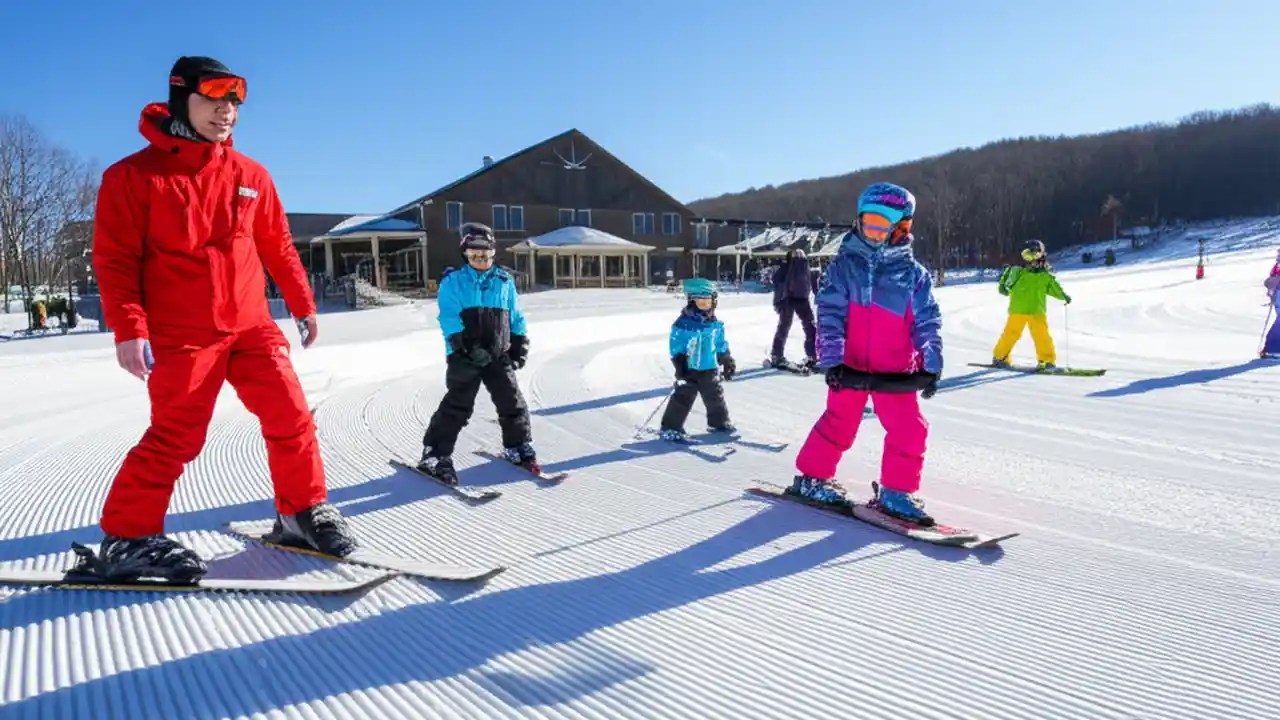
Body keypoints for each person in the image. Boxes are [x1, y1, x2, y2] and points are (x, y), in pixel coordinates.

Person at [91, 56, 356, 581]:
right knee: (177, 435)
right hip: (182, 332)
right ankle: (127, 537)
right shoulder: (132, 177)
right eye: (213, 98)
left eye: (234, 100)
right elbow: (115, 259)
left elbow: (277, 244)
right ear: (180, 99)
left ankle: (300, 511)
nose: (226, 111)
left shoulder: (250, 175)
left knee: (290, 414)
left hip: (251, 325)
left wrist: (302, 302)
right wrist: (129, 328)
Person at [789, 182, 942, 526]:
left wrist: (931, 362)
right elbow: (830, 315)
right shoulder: (843, 269)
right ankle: (812, 478)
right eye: (868, 223)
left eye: (881, 226)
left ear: (901, 228)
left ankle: (896, 492)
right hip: (851, 368)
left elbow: (927, 322)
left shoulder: (914, 277)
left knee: (910, 429)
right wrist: (833, 360)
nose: (872, 233)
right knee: (839, 424)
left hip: (895, 371)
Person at [419, 222, 536, 481]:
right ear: (465, 255)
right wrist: (466, 347)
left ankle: (518, 445)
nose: (480, 260)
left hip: (497, 354)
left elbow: (515, 315)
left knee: (512, 401)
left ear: (493, 253)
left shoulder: (504, 281)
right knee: (458, 405)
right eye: (474, 255)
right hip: (464, 355)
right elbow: (449, 317)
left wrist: (519, 343)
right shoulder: (453, 282)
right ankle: (435, 454)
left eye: (485, 254)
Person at [659, 278, 737, 441]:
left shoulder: (715, 324)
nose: (705, 306)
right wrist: (679, 362)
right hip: (689, 367)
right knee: (684, 396)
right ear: (691, 302)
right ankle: (671, 427)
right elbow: (676, 344)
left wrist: (725, 358)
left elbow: (720, 343)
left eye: (708, 302)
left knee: (714, 395)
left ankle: (719, 422)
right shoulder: (683, 324)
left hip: (709, 366)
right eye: (701, 303)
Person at [992, 239, 1071, 370]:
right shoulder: (1017, 270)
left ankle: (1046, 360)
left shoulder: (1044, 274)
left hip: (1037, 310)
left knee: (1041, 336)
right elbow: (1005, 282)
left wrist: (1063, 296)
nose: (1032, 259)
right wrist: (1004, 286)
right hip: (1019, 309)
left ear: (1041, 255)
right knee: (1011, 334)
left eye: (1035, 255)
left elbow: (1053, 287)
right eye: (1028, 255)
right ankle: (1000, 357)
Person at [767, 247, 818, 371]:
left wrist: (778, 302)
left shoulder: (785, 267)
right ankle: (813, 355)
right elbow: (815, 285)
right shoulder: (807, 267)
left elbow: (778, 283)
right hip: (803, 299)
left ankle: (777, 355)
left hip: (788, 299)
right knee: (809, 327)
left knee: (783, 327)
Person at [1262, 248, 1280, 358]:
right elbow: (1271, 280)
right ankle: (1273, 349)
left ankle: (1273, 349)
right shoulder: (1277, 267)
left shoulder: (1277, 266)